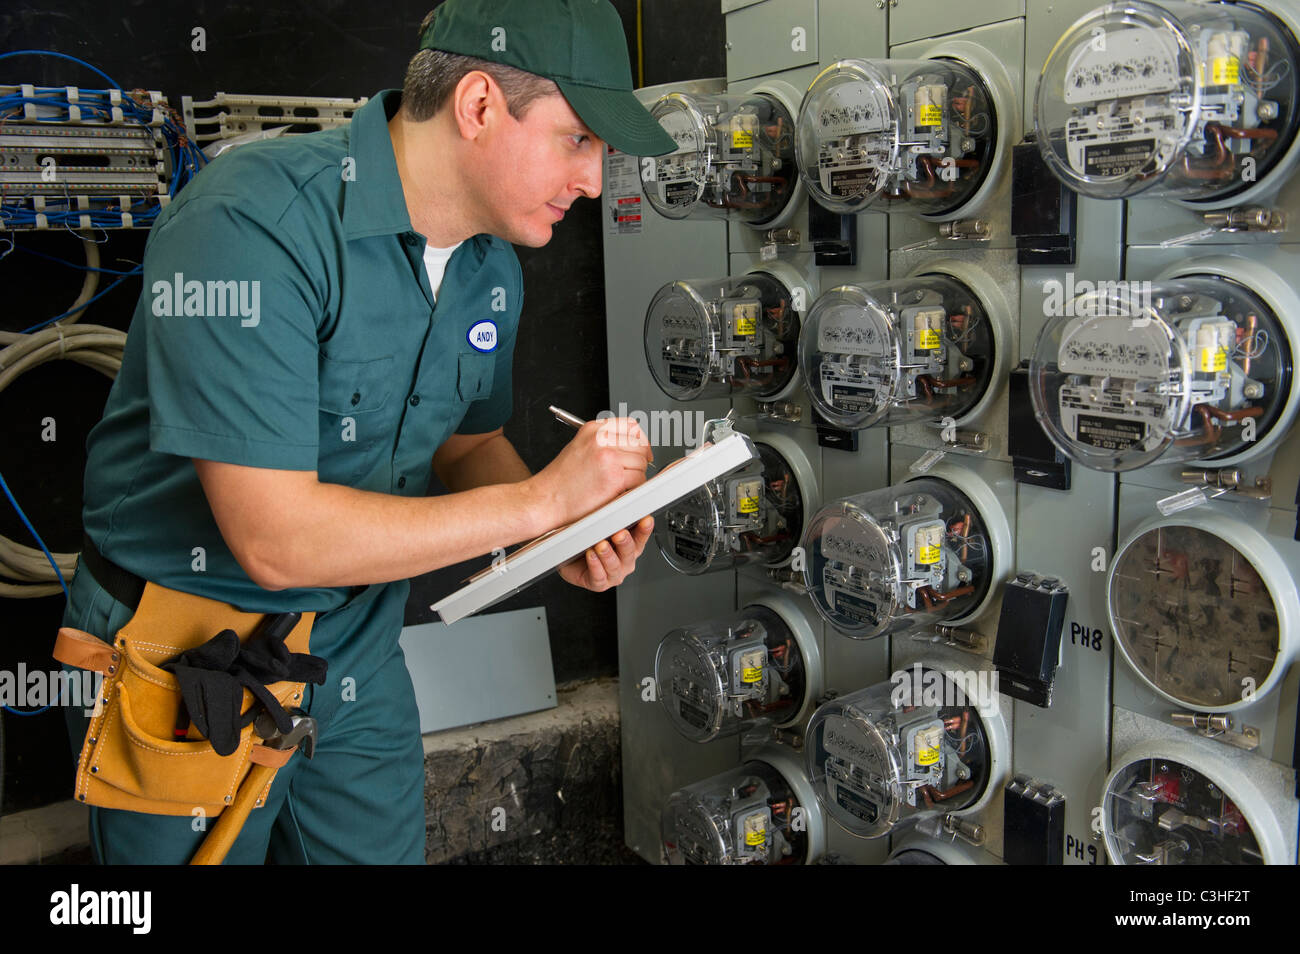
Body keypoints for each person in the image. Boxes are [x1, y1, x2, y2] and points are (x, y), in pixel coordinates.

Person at [60, 0, 676, 864]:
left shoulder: (488, 265)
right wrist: (537, 500)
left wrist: (559, 526)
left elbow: (462, 446)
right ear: (479, 106)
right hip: (187, 651)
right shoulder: (252, 223)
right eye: (579, 139)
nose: (595, 179)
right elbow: (275, 540)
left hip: (353, 649)